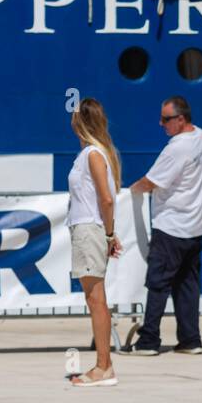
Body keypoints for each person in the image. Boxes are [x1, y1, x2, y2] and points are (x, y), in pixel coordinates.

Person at [129, 96, 202, 355]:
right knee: (187, 286)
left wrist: (128, 193)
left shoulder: (177, 147)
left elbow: (151, 181)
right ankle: (190, 340)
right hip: (195, 227)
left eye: (165, 119)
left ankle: (148, 342)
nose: (161, 123)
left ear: (180, 119)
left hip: (171, 227)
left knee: (157, 284)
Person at [65, 97, 124, 387]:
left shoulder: (93, 154)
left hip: (90, 229)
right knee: (95, 298)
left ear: (80, 121)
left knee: (96, 299)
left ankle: (104, 366)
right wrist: (109, 233)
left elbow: (106, 198)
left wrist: (110, 234)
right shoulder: (97, 153)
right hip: (89, 229)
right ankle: (104, 364)